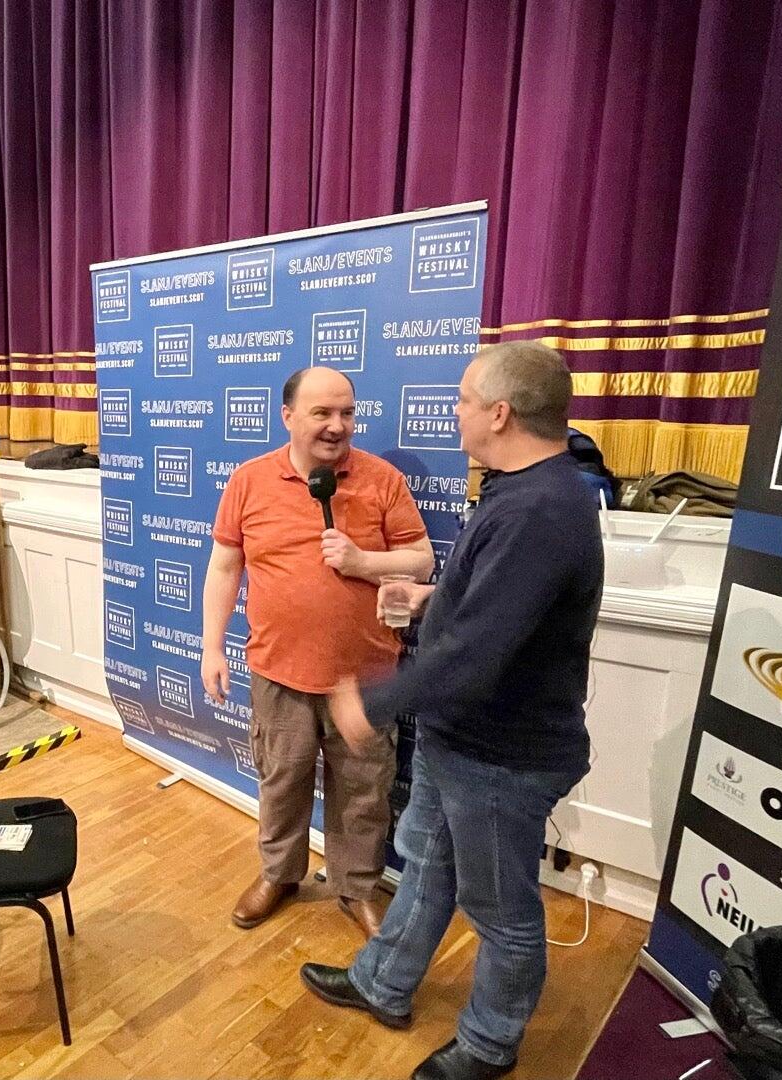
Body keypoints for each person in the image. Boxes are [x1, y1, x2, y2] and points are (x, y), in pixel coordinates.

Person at [301, 342, 602, 1080]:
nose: (456, 412)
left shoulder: (541, 508)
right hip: (459, 741)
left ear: (499, 414)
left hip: (503, 755)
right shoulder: (520, 486)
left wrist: (372, 702)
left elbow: (477, 657)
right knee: (428, 864)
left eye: (465, 401)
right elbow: (505, 606)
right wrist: (433, 598)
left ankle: (490, 1046)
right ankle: (383, 982)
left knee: (500, 911)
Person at [201, 366, 433, 940]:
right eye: (322, 414)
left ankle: (355, 888)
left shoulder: (382, 480)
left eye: (347, 414)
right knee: (282, 780)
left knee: (363, 791)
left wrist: (362, 563)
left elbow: (422, 561)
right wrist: (212, 646)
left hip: (364, 680)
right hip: (277, 672)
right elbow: (225, 567)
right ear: (288, 417)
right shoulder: (249, 481)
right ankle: (280, 874)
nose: (337, 427)